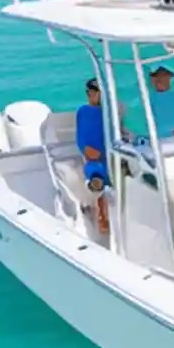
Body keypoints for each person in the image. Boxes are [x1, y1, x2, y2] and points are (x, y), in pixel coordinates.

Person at [75, 78, 110, 235]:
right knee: (97, 172)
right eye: (93, 92)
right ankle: (103, 217)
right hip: (94, 157)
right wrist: (86, 150)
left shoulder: (109, 111)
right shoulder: (83, 111)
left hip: (110, 154)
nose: (95, 96)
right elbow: (81, 138)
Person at [146, 66, 174, 138]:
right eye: (155, 77)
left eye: (162, 76)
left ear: (169, 78)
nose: (158, 79)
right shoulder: (149, 98)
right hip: (158, 138)